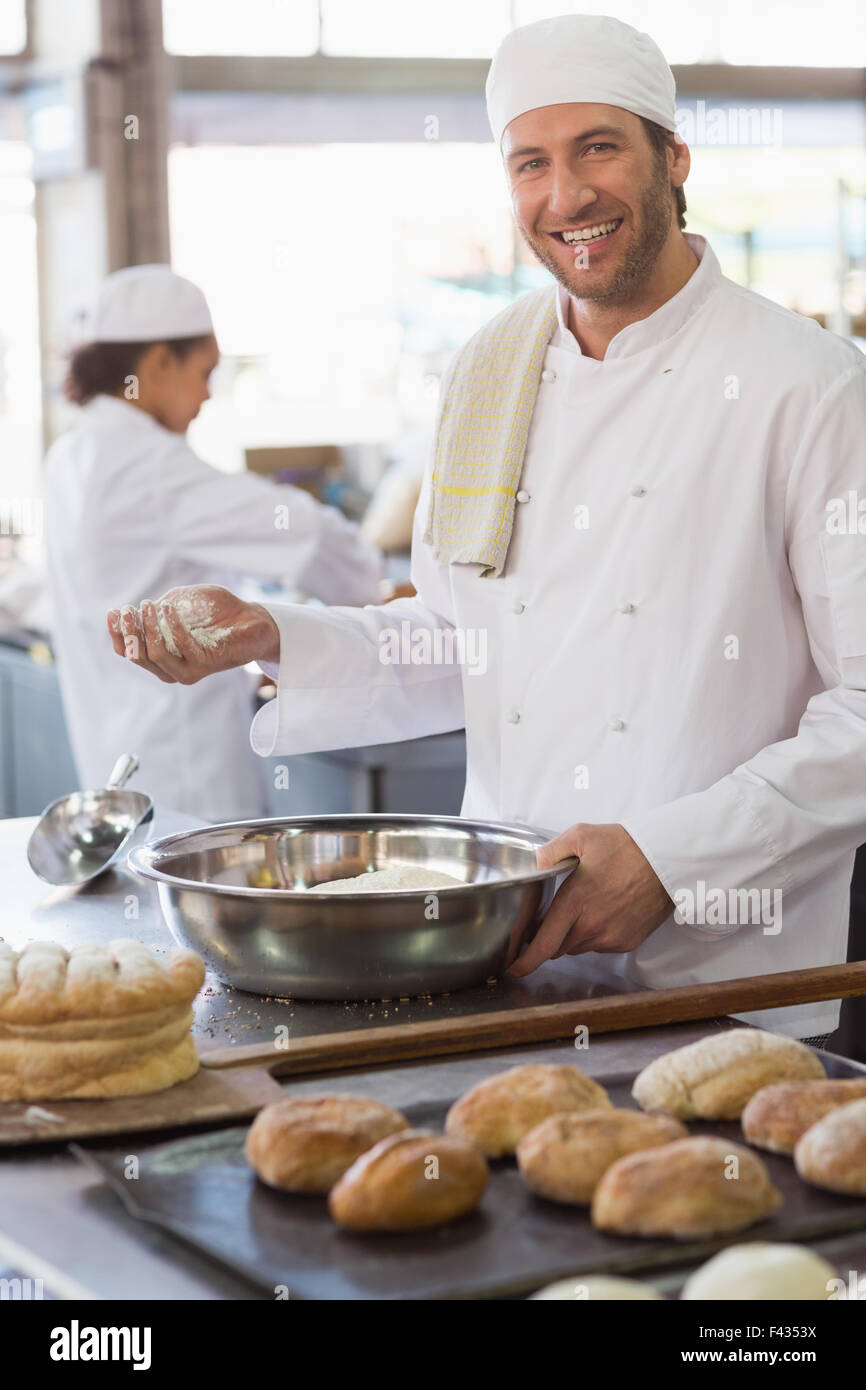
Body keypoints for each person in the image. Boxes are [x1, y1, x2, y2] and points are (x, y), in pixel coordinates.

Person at [107, 16, 866, 1042]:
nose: (566, 196)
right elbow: (466, 639)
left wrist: (670, 856)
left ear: (672, 157)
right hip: (506, 951)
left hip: (725, 974)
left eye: (597, 147)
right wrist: (277, 635)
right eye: (530, 163)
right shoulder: (487, 373)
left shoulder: (809, 386)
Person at [45, 264, 384, 821]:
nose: (206, 394)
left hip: (115, 754)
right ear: (158, 362)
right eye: (205, 372)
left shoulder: (72, 454)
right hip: (183, 765)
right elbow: (303, 531)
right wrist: (376, 589)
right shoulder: (145, 465)